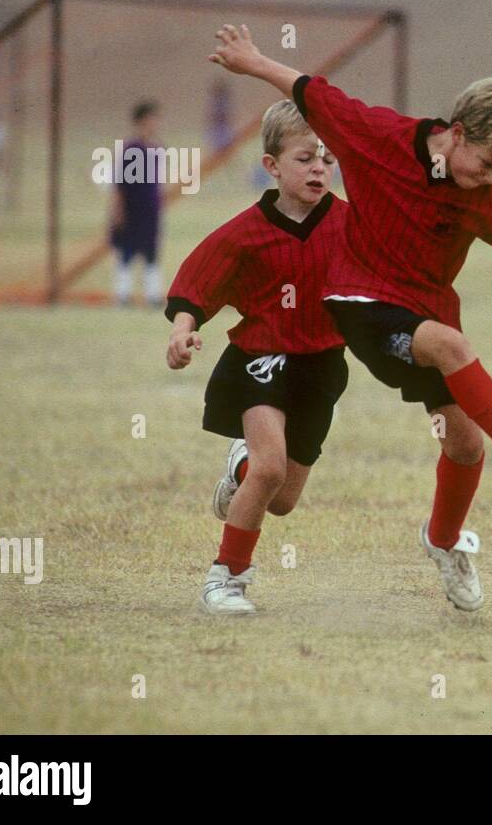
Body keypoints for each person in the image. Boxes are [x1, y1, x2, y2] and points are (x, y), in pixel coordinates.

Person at [208, 24, 492, 612]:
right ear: (457, 133)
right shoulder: (379, 137)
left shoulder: (487, 193)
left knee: (466, 446)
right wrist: (255, 60)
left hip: (425, 316)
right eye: (486, 163)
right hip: (361, 299)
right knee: (452, 347)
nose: (490, 179)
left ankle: (443, 542)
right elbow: (314, 92)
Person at [165, 100, 350, 615]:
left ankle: (240, 465)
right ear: (271, 166)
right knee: (270, 470)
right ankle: (225, 579)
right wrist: (183, 330)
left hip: (322, 367)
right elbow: (198, 282)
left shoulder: (350, 225)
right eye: (305, 158)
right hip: (259, 358)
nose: (319, 168)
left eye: (328, 159)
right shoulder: (246, 231)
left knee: (283, 499)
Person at [110, 101, 165, 307]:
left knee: (151, 252)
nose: (155, 123)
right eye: (151, 119)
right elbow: (119, 184)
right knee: (126, 253)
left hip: (149, 211)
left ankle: (153, 295)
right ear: (141, 121)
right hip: (131, 209)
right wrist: (118, 211)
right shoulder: (130, 149)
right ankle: (122, 295)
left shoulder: (156, 148)